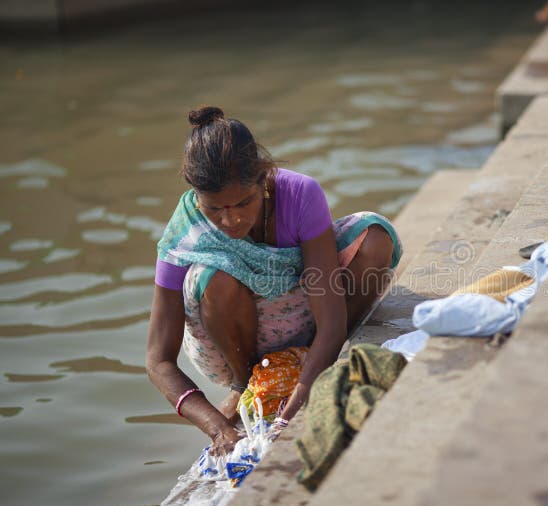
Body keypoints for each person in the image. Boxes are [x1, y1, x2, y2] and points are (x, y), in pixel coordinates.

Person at [145, 106, 402, 455]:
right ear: (195, 197)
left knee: (373, 237)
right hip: (231, 338)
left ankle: (310, 361)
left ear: (264, 177)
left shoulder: (299, 194)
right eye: (215, 209)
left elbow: (330, 317)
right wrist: (218, 429)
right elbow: (158, 360)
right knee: (213, 275)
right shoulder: (185, 231)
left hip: (306, 312)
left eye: (243, 203)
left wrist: (295, 405)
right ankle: (246, 383)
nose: (231, 220)